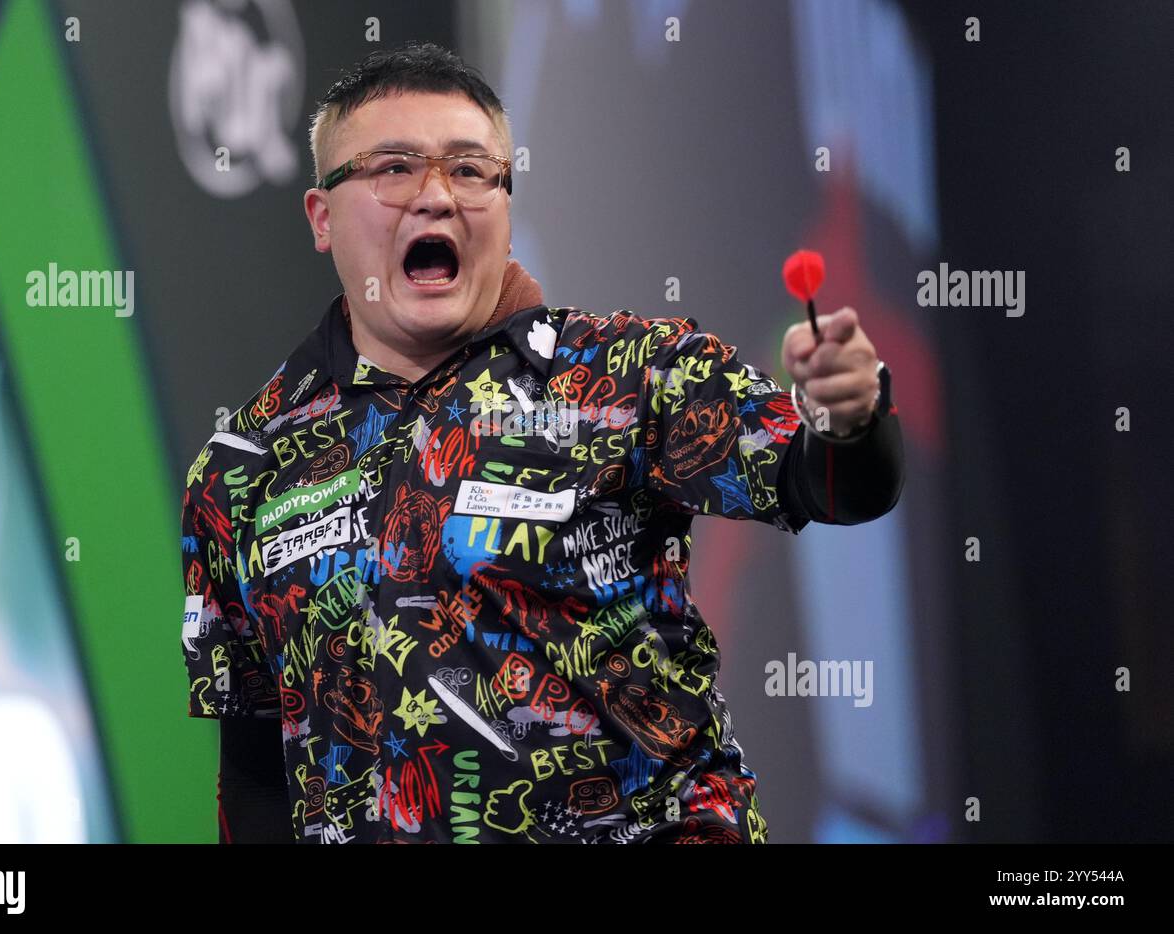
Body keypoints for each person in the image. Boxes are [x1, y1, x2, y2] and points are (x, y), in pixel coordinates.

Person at [180, 41, 904, 844]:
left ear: (505, 202)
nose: (436, 198)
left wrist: (851, 420)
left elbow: (833, 486)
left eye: (470, 170)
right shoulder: (243, 467)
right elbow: (253, 763)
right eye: (394, 169)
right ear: (322, 216)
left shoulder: (630, 373)